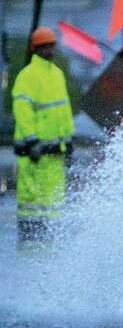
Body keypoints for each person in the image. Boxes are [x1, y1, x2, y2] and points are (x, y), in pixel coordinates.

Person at [11, 27, 75, 244]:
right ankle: (30, 240)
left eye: (51, 45)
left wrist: (68, 139)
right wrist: (31, 140)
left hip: (54, 154)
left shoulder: (56, 74)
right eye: (44, 46)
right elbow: (22, 110)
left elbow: (62, 110)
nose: (49, 50)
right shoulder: (27, 76)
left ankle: (50, 242)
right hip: (35, 154)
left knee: (53, 201)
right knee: (32, 202)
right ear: (35, 49)